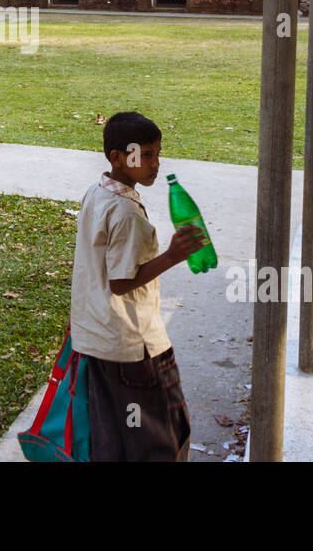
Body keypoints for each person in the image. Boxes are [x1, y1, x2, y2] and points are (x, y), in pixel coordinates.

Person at [70, 111, 204, 461]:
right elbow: (120, 283)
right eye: (144, 156)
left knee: (114, 434)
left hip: (99, 340)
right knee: (160, 433)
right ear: (116, 157)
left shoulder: (96, 193)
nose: (155, 164)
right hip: (134, 346)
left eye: (157, 154)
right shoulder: (126, 213)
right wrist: (174, 254)